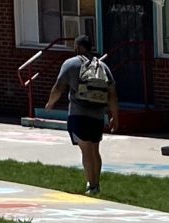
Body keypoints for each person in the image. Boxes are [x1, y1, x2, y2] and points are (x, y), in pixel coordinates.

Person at [47, 32, 117, 195]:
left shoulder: (70, 64)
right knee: (94, 149)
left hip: (78, 114)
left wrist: (50, 103)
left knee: (85, 150)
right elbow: (113, 94)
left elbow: (58, 87)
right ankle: (96, 184)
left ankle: (91, 186)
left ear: (78, 47)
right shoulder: (102, 66)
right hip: (98, 115)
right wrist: (114, 117)